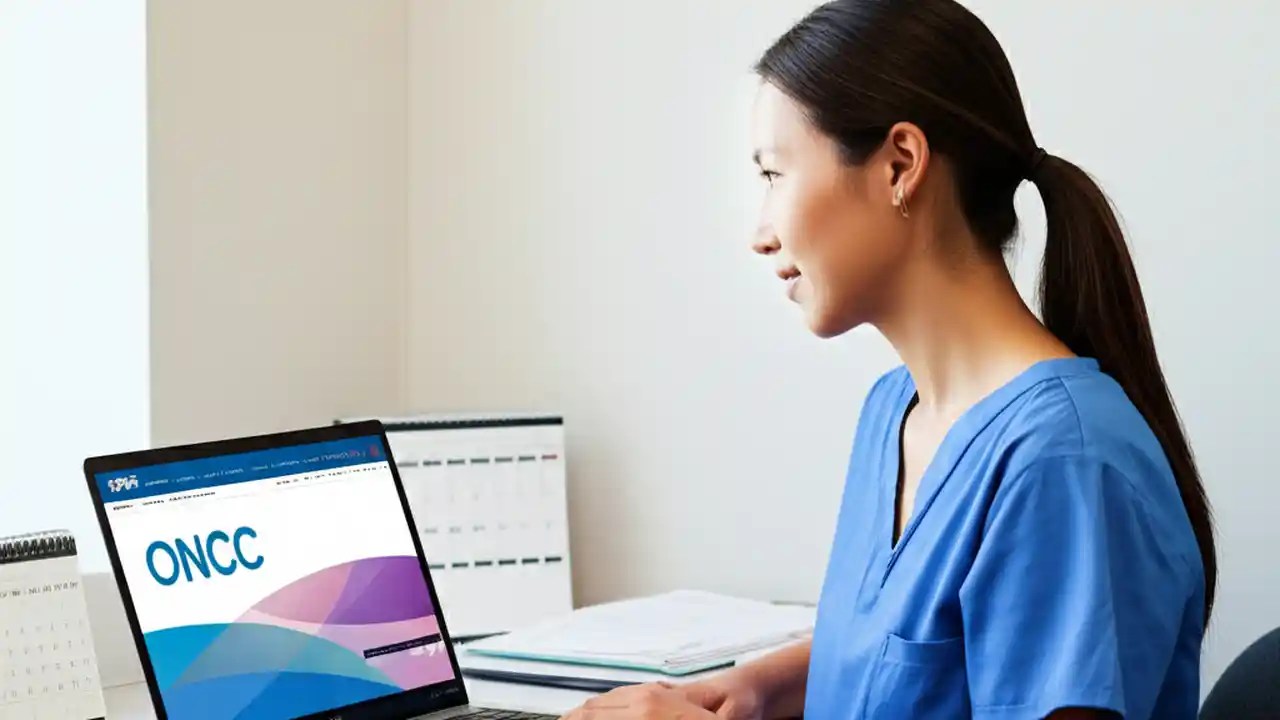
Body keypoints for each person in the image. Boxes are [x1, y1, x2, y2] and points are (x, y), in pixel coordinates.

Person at [560, 0, 1214, 718]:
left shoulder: (1062, 464)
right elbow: (915, 655)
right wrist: (762, 686)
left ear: (900, 164)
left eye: (775, 175)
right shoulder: (892, 412)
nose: (760, 233)